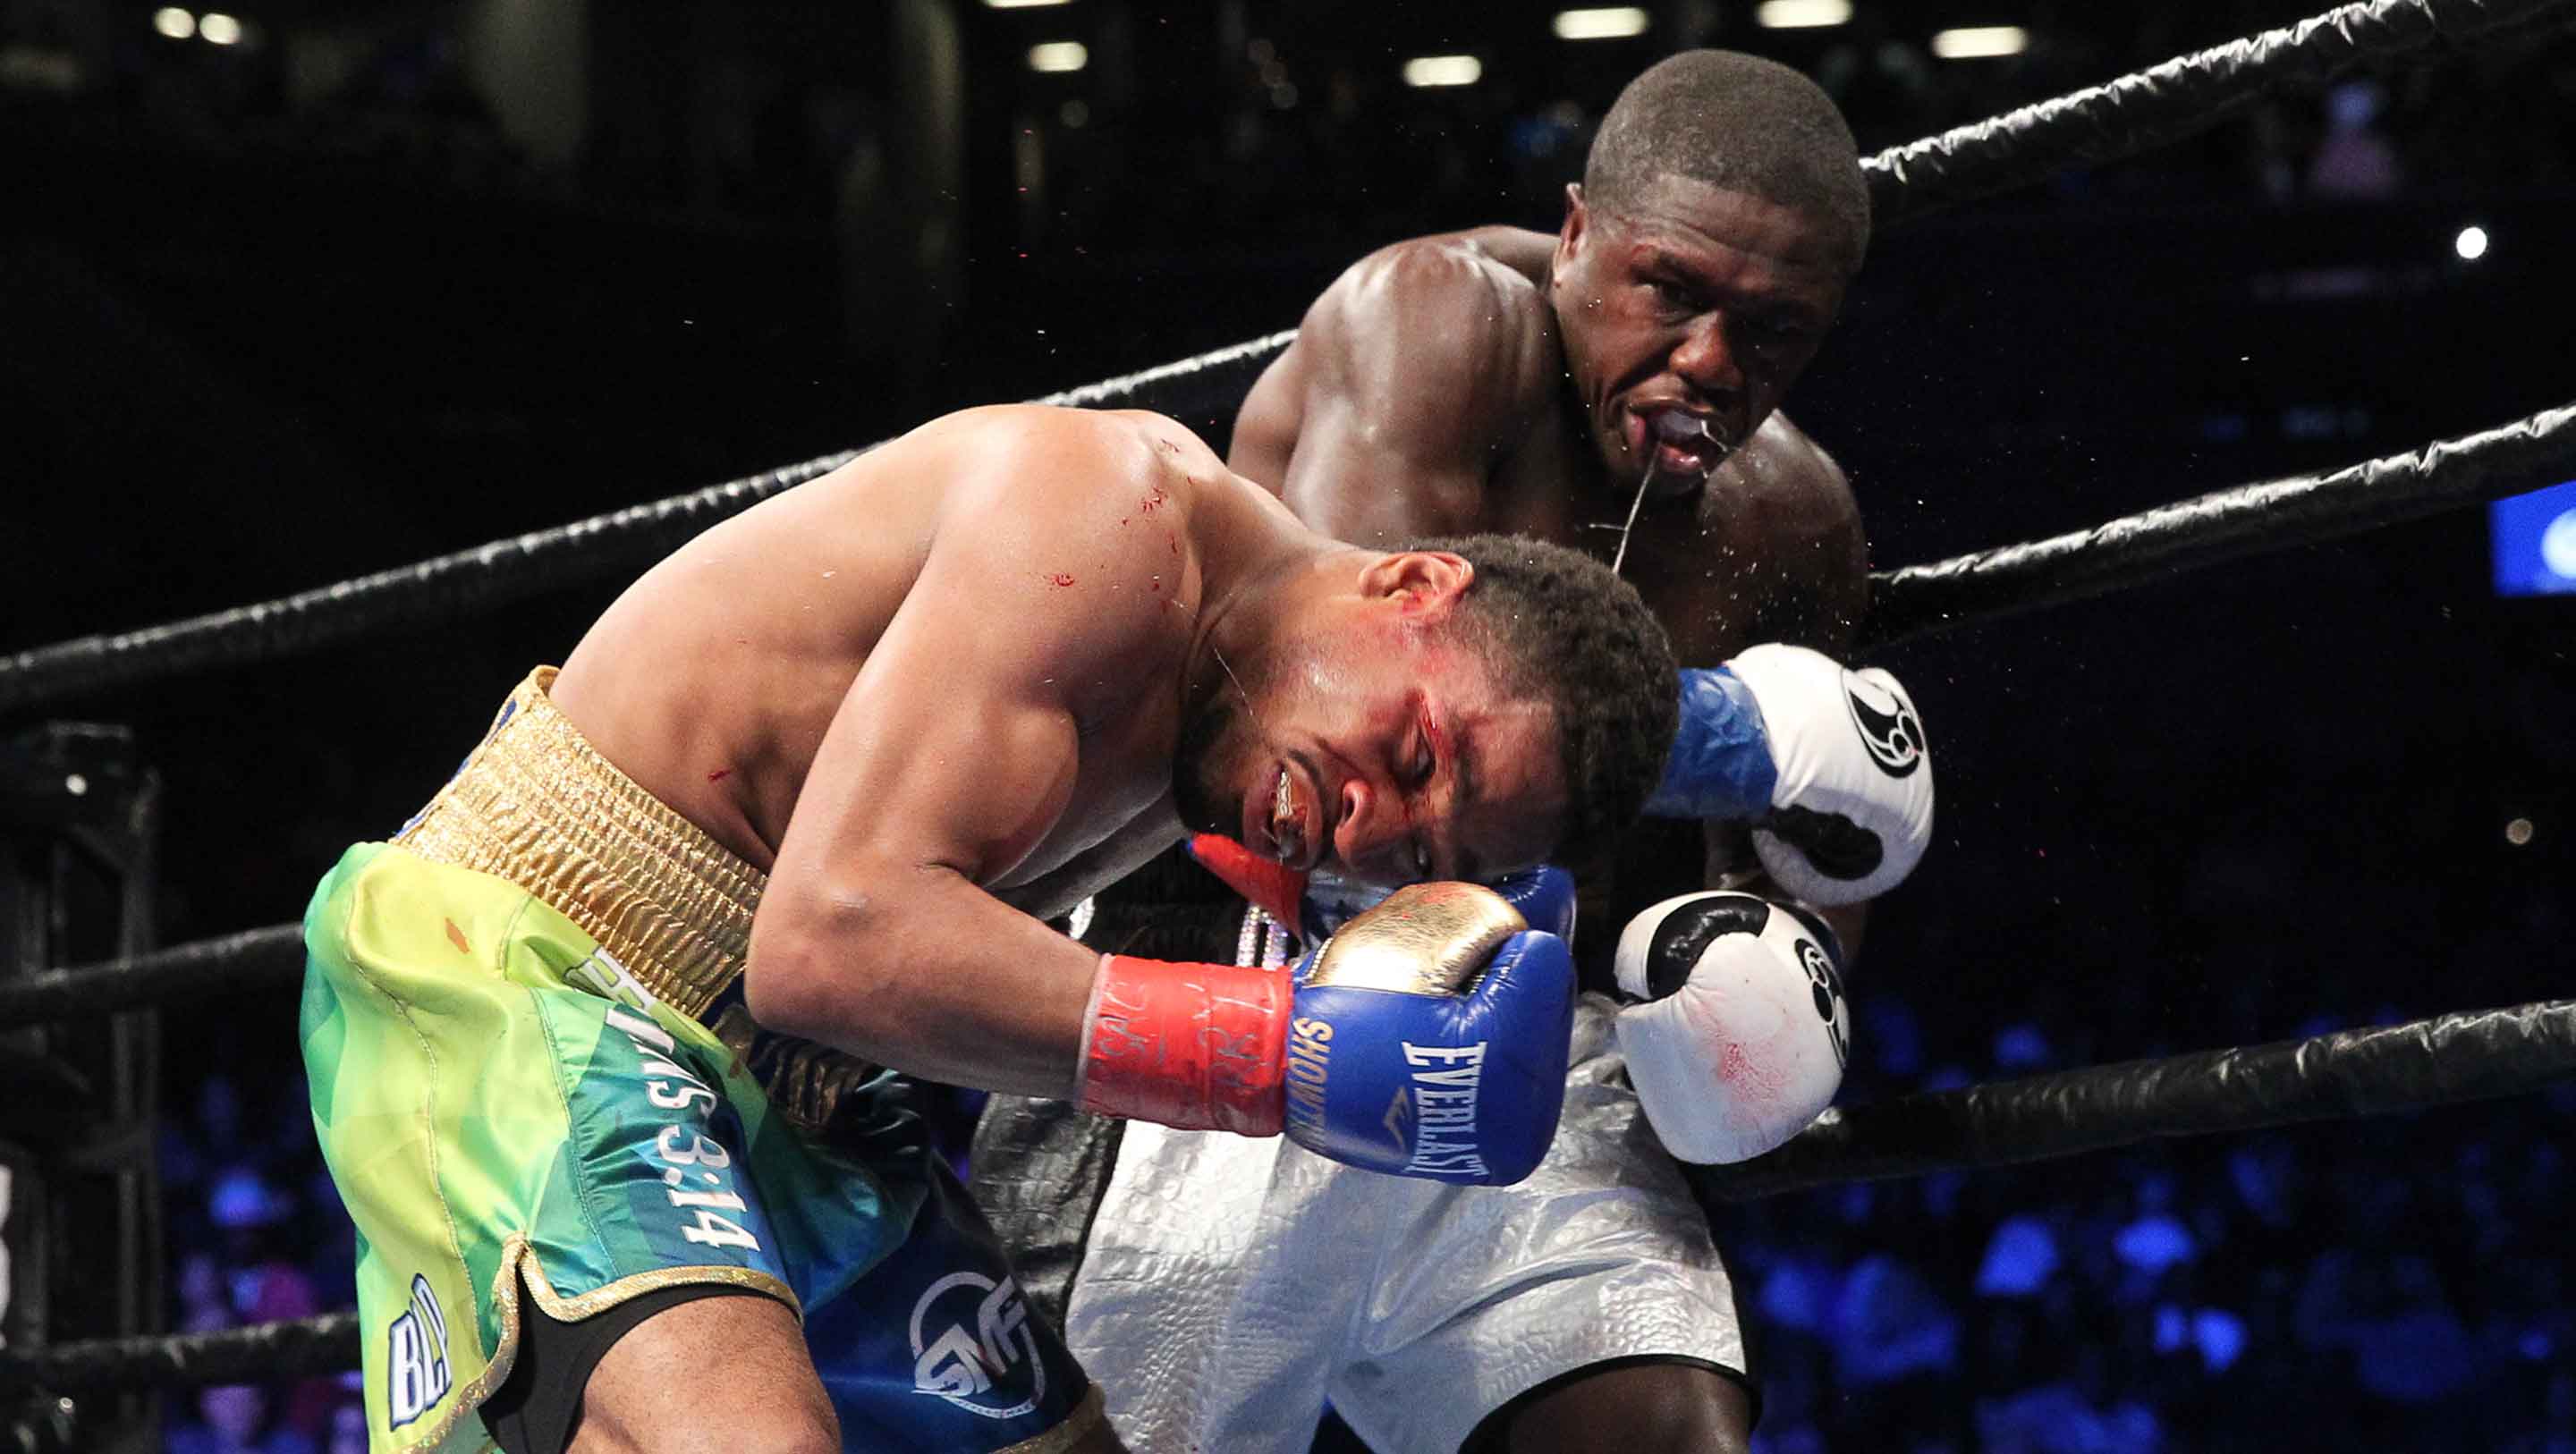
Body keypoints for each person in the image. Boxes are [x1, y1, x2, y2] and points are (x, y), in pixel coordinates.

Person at [298, 402, 1683, 1454]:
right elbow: (827, 937)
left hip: (794, 1077)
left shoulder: (1248, 723)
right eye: (1422, 754)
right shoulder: (1112, 519)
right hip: (542, 960)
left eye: (1423, 847)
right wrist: (1271, 1052)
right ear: (1410, 586)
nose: (1371, 826)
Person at [971, 52, 1932, 1454]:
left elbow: (1803, 862)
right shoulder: (1433, 323)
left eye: (1774, 330)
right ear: (1580, 234)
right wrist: (1736, 732)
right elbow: (1379, 751)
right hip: (1238, 966)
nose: (1713, 364)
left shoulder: (1795, 522)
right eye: (1671, 290)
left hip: (1539, 1046)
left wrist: (1778, 997)